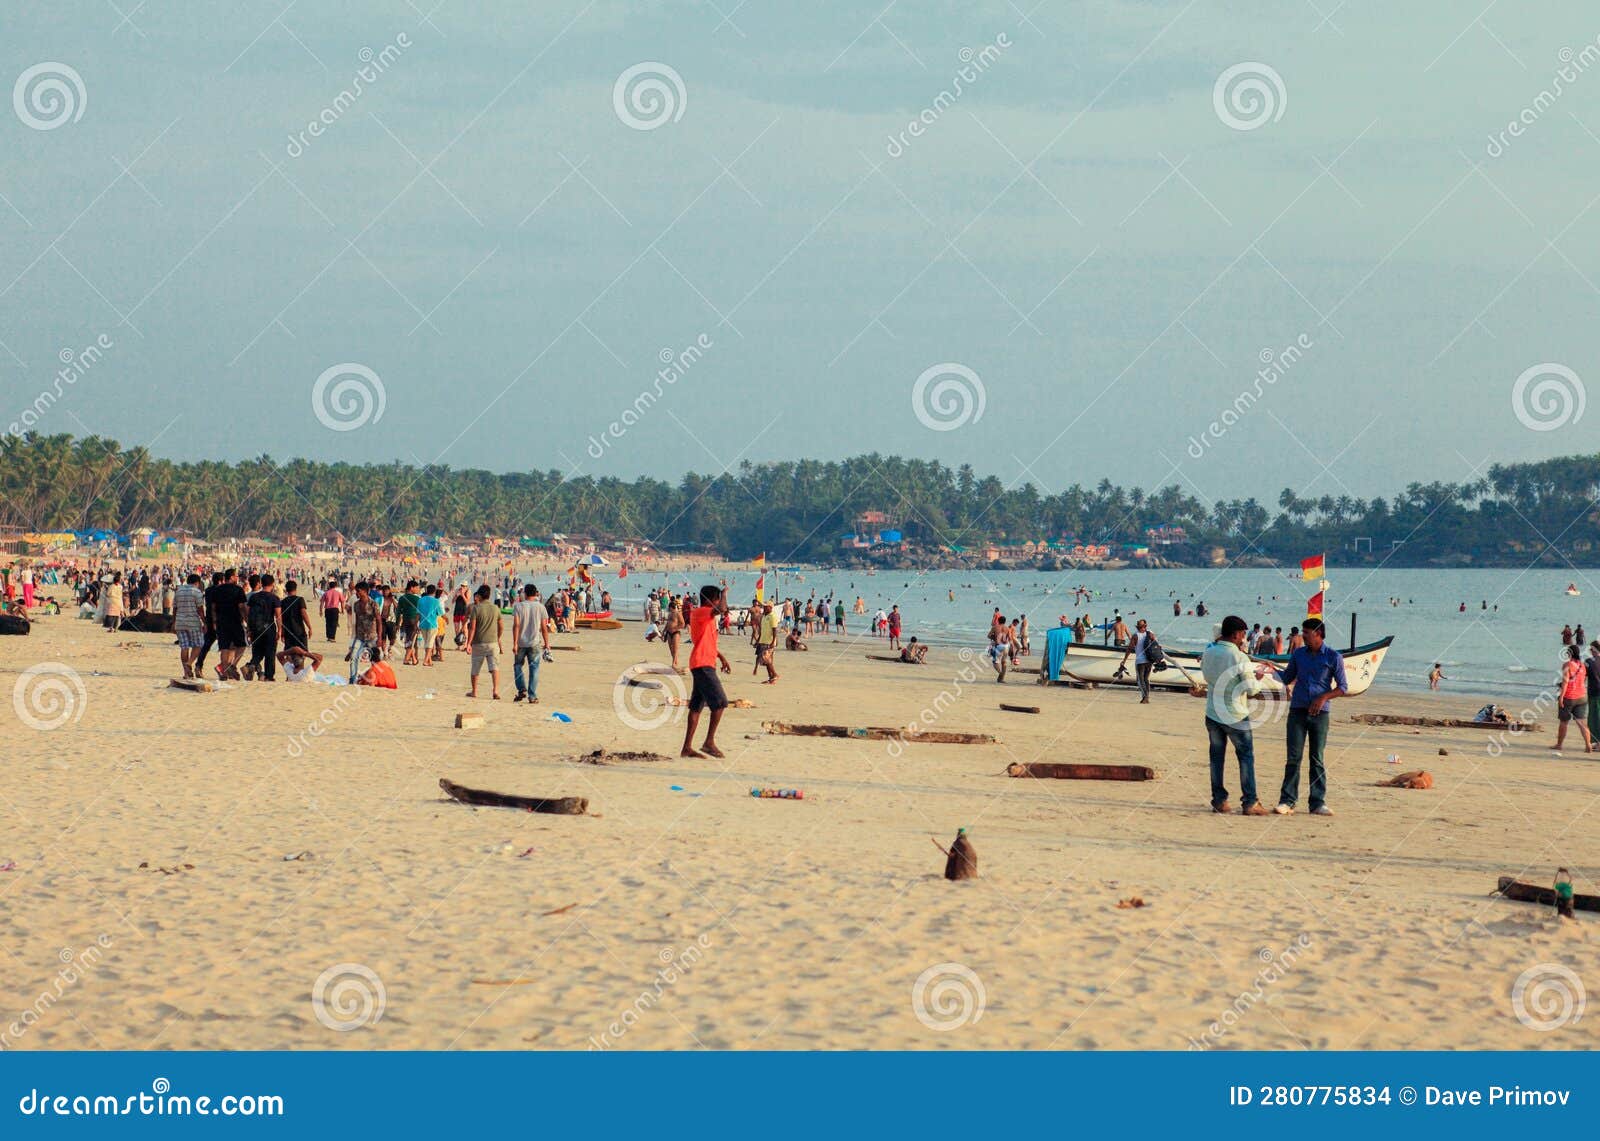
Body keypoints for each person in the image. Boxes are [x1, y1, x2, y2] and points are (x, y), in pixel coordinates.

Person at [1271, 617, 1347, 815]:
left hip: (1320, 714)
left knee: (1317, 758)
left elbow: (1342, 688)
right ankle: (1287, 801)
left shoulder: (1333, 657)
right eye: (1303, 632)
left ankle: (1317, 802)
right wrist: (1268, 671)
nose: (1302, 636)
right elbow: (1287, 677)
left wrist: (1323, 697)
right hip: (1297, 710)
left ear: (1318, 634)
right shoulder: (1298, 655)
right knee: (1293, 758)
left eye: (1306, 633)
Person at [1200, 615, 1269, 815]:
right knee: (1246, 756)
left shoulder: (1210, 651)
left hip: (1213, 711)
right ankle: (1250, 802)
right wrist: (1258, 678)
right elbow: (1252, 689)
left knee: (1216, 757)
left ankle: (1219, 800)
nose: (1244, 639)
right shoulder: (1239, 657)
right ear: (1237, 634)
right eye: (1243, 635)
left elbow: (1206, 676)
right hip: (1234, 713)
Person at [681, 585, 732, 759]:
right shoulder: (702, 612)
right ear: (711, 600)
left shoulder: (706, 617)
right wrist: (724, 594)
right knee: (721, 702)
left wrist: (721, 657)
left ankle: (687, 748)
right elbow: (722, 609)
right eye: (717, 598)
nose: (719, 601)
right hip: (702, 665)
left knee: (696, 707)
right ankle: (709, 742)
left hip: (704, 662)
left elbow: (706, 641)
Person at [1551, 644, 1594, 754]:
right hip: (1582, 697)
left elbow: (1565, 682)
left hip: (1569, 697)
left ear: (1569, 654)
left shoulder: (1567, 665)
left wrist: (1561, 697)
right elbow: (1582, 681)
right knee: (1582, 723)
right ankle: (1588, 745)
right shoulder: (1583, 665)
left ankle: (1559, 745)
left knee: (1564, 722)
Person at [511, 584, 549, 704]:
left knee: (518, 665)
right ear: (536, 593)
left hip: (521, 642)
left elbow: (516, 625)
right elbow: (544, 628)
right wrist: (547, 643)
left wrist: (515, 643)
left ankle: (522, 688)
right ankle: (532, 696)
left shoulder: (518, 606)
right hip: (534, 642)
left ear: (525, 594)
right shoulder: (541, 607)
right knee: (534, 669)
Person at [464, 584, 503, 699]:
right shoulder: (496, 608)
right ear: (489, 595)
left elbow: (472, 627)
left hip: (478, 642)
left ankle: (474, 691)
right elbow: (501, 626)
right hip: (493, 642)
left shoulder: (476, 608)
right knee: (495, 667)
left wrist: (468, 643)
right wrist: (498, 637)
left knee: (475, 668)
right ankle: (495, 690)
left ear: (479, 596)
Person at [1116, 618, 1163, 704]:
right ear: (1145, 626)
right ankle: (1146, 697)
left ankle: (1145, 697)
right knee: (1146, 679)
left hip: (1140, 662)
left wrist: (1124, 660)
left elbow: (1130, 648)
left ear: (1138, 627)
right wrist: (1158, 660)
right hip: (1149, 661)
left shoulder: (1135, 636)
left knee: (1140, 680)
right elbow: (1157, 647)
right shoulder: (1150, 635)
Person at [245, 572, 281, 681]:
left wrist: (249, 629)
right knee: (270, 652)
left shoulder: (254, 597)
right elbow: (278, 616)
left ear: (261, 583)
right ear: (272, 584)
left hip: (256, 628)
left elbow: (248, 613)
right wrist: (280, 630)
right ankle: (269, 676)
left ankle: (252, 665)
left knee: (257, 651)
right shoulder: (274, 598)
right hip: (269, 627)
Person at [348, 581, 381, 685]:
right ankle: (352, 679)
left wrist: (380, 638)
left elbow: (379, 620)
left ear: (365, 592)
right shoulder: (356, 604)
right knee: (353, 657)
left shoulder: (373, 604)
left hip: (372, 636)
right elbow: (357, 621)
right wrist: (354, 637)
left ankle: (375, 679)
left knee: (375, 660)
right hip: (360, 636)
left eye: (358, 591)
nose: (356, 593)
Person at [174, 572, 206, 679]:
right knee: (199, 644)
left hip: (180, 622)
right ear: (197, 582)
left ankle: (186, 673)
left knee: (184, 647)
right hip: (193, 623)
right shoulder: (197, 592)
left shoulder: (178, 591)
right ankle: (189, 663)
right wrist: (205, 622)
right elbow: (200, 610)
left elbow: (175, 608)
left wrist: (174, 622)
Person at [417, 584, 443, 668]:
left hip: (422, 624)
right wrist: (446, 619)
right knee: (430, 643)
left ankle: (429, 660)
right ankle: (425, 660)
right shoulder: (436, 601)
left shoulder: (420, 600)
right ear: (434, 592)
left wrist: (416, 624)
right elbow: (440, 613)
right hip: (432, 624)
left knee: (427, 642)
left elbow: (418, 613)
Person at [754, 603, 779, 684]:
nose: (764, 608)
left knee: (767, 659)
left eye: (765, 607)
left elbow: (774, 630)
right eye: (763, 607)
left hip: (769, 642)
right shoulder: (764, 616)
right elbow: (762, 630)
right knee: (765, 661)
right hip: (763, 641)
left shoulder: (773, 616)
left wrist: (773, 641)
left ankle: (775, 674)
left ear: (770, 607)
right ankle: (771, 678)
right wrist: (757, 641)